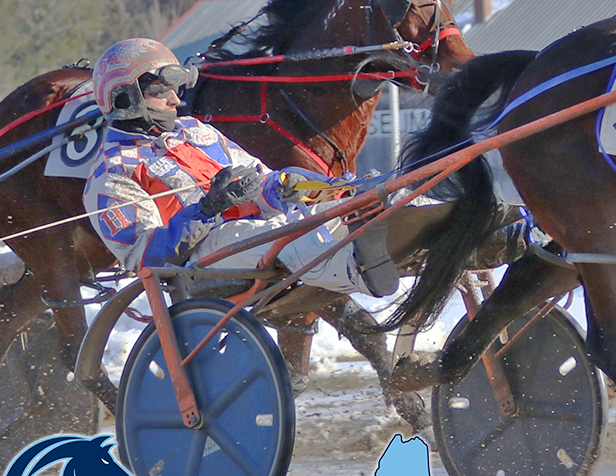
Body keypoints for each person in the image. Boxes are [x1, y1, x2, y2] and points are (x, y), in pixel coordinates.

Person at [82, 38, 401, 297]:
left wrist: (288, 188)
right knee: (285, 235)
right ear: (125, 98)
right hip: (202, 261)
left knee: (341, 208)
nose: (176, 101)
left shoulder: (196, 130)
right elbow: (143, 256)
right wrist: (207, 209)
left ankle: (382, 217)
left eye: (177, 90)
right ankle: (363, 273)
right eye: (161, 91)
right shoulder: (111, 173)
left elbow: (260, 181)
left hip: (258, 230)